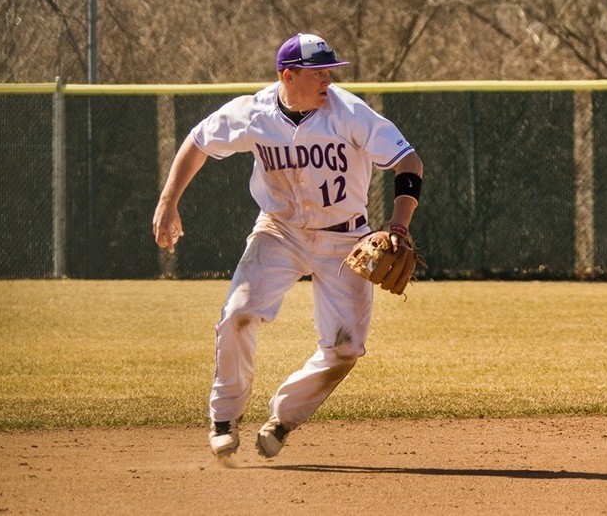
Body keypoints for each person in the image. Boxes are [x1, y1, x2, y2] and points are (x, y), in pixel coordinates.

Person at [152, 33, 424, 459]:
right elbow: (198, 142)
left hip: (345, 239)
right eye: (318, 72)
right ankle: (224, 417)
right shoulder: (253, 112)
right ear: (288, 75)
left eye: (331, 71)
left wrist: (399, 227)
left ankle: (282, 419)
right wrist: (168, 203)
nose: (328, 80)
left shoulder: (348, 111)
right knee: (239, 313)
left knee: (346, 348)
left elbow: (409, 161)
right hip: (279, 230)